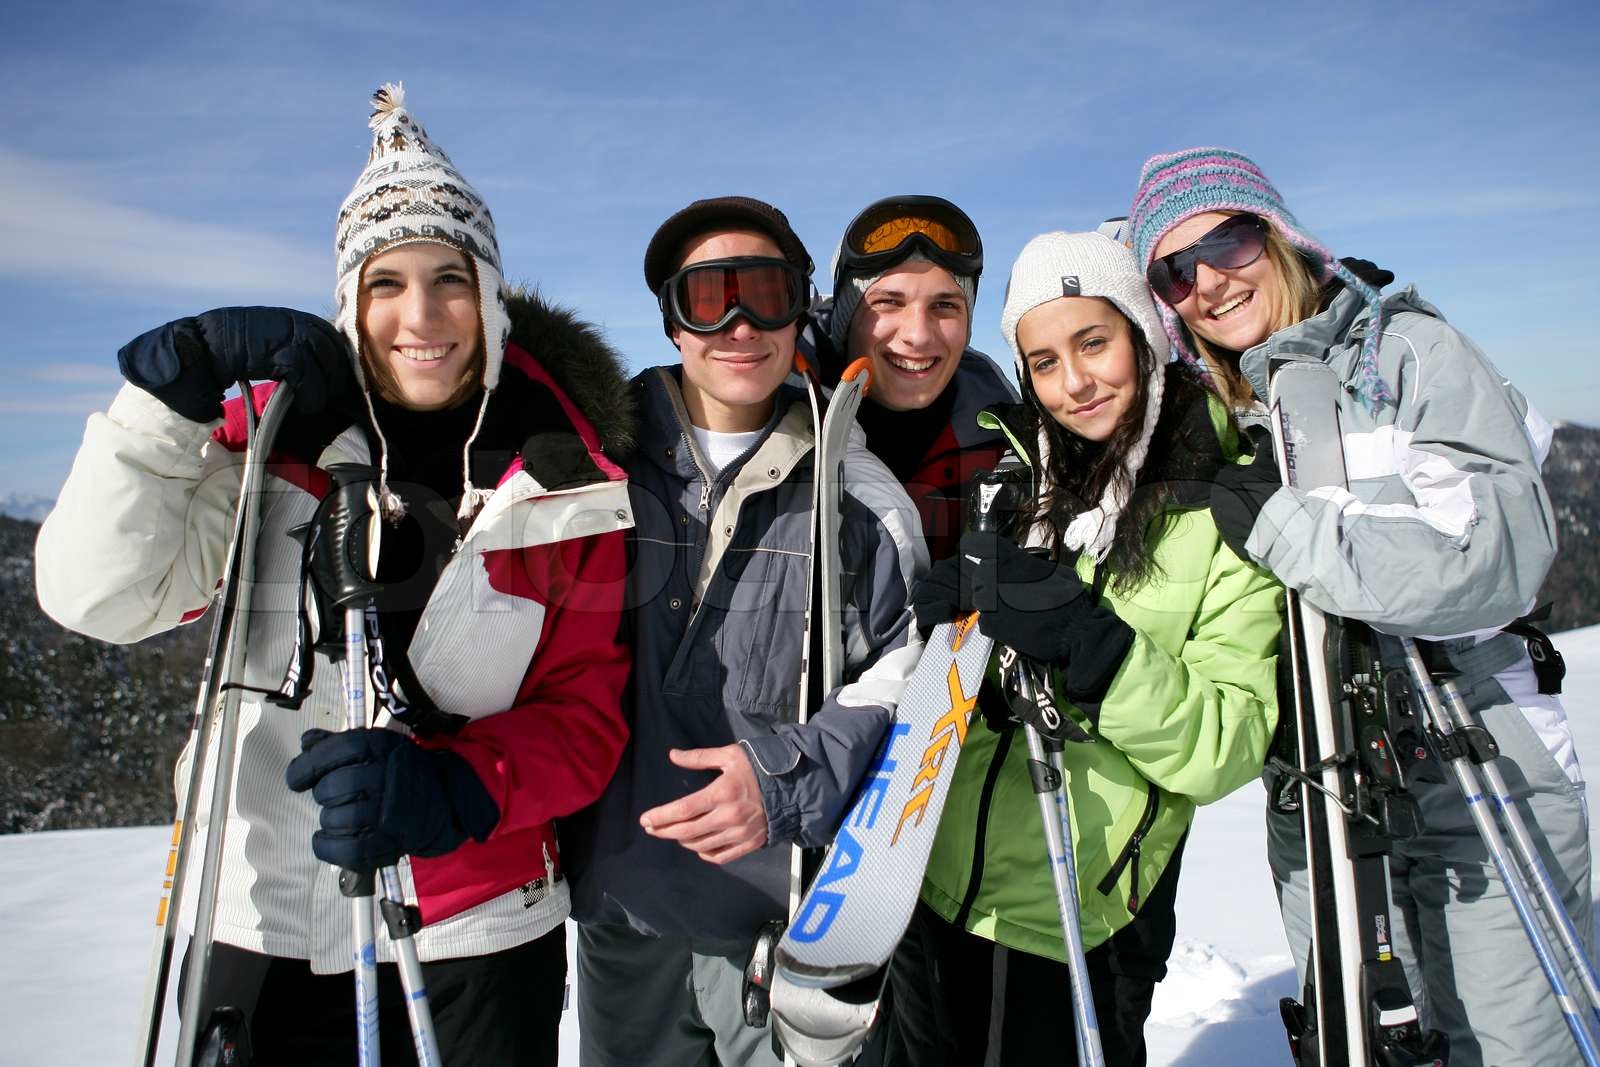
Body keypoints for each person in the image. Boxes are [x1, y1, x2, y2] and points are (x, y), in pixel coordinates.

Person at [35, 84, 634, 1065]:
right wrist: (162, 411)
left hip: (479, 924)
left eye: (450, 278)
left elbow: (584, 715)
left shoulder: (566, 479)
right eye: (385, 281)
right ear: (350, 297)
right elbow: (98, 597)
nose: (421, 314)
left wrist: (457, 785)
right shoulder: (268, 444)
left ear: (489, 295)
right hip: (257, 906)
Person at [1128, 146, 1589, 1067]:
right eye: (1175, 270)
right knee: (1361, 1043)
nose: (1208, 282)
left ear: (1279, 236)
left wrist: (1284, 526)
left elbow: (1496, 558)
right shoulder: (1216, 412)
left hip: (1471, 756)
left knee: (1512, 1045)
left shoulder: (1402, 352)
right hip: (1320, 788)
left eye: (1227, 241)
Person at [894, 230, 1283, 1065]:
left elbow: (1228, 742)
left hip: (1077, 913)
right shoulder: (1023, 476)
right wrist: (962, 644)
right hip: (934, 886)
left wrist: (1092, 644)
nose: (1073, 382)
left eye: (1093, 342)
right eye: (1043, 362)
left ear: (1141, 335)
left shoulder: (1222, 501)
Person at [561, 196, 927, 1066]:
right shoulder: (592, 464)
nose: (738, 325)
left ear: (799, 311)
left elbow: (907, 682)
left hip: (778, 923)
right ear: (671, 320)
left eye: (765, 293)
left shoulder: (856, 497)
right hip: (619, 915)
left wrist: (785, 779)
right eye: (706, 297)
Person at [809, 194, 1018, 562]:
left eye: (944, 305)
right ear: (847, 321)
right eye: (888, 302)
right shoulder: (778, 422)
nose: (918, 335)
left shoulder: (1004, 444)